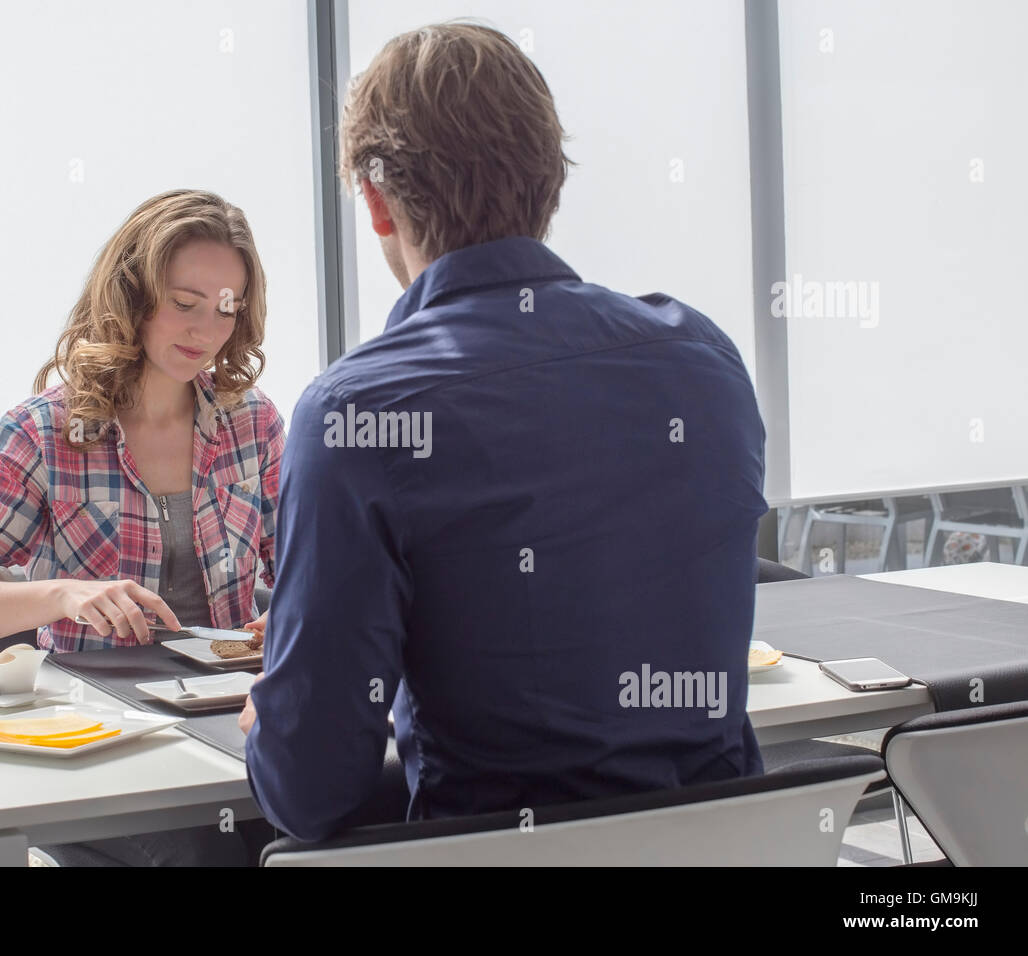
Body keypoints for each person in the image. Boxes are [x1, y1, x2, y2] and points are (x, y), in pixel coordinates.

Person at [240, 22, 769, 842]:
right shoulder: (705, 360)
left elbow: (312, 791)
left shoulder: (360, 413)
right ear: (551, 179)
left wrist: (274, 721)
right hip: (735, 848)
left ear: (377, 202)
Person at [0, 188, 282, 864]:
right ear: (132, 295)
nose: (205, 331)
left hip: (232, 723)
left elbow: (307, 575)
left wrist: (288, 616)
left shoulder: (254, 423)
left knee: (319, 829)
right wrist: (65, 594)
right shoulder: (46, 432)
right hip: (102, 740)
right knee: (209, 853)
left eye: (226, 307)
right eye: (183, 302)